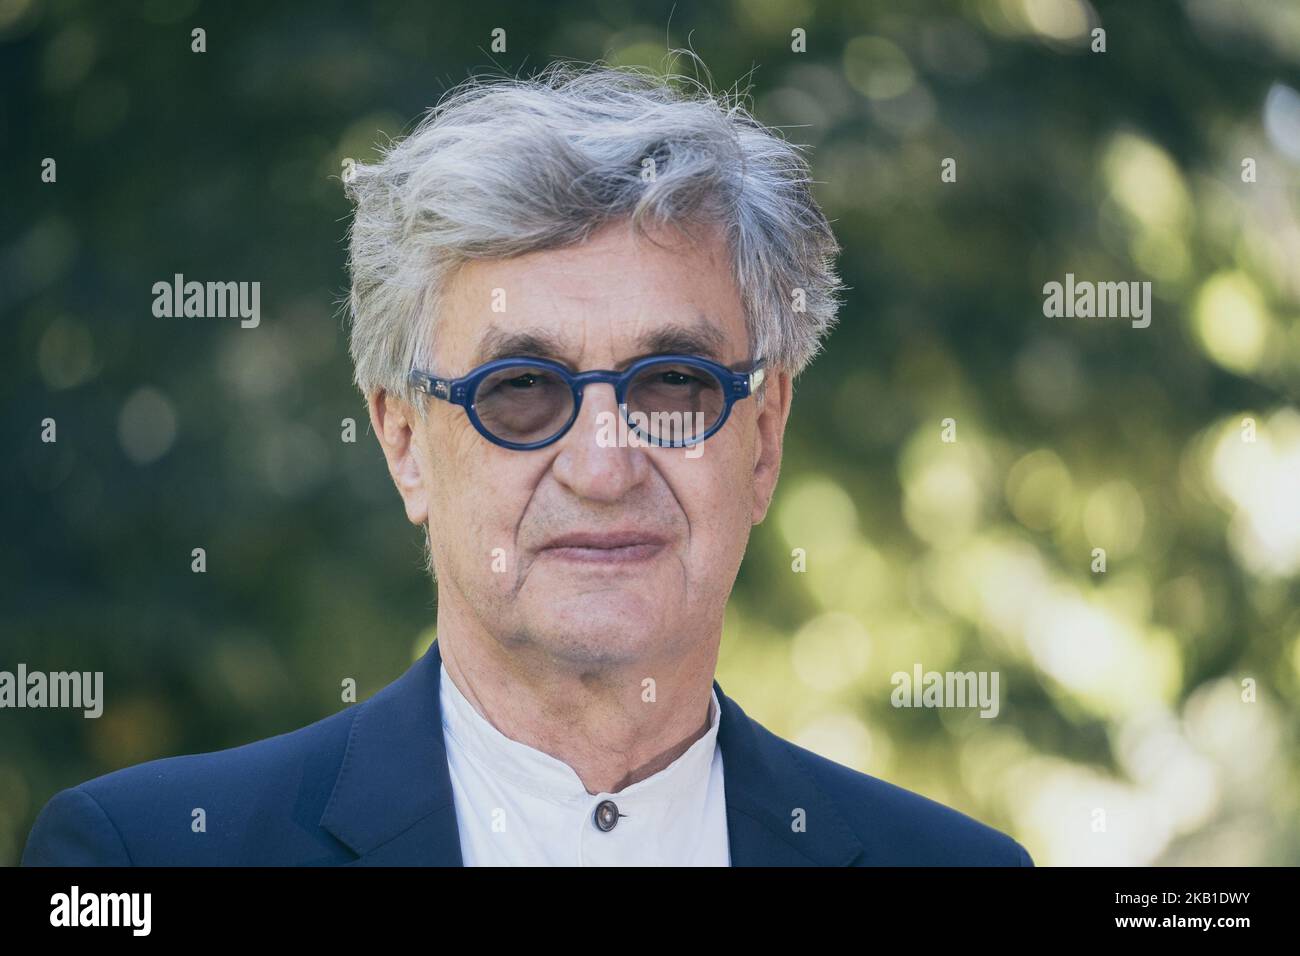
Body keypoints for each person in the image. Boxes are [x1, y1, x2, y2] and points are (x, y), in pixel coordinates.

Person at [23, 61, 1033, 867]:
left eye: (672, 382)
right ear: (405, 442)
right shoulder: (140, 859)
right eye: (519, 389)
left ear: (761, 438)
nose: (603, 464)